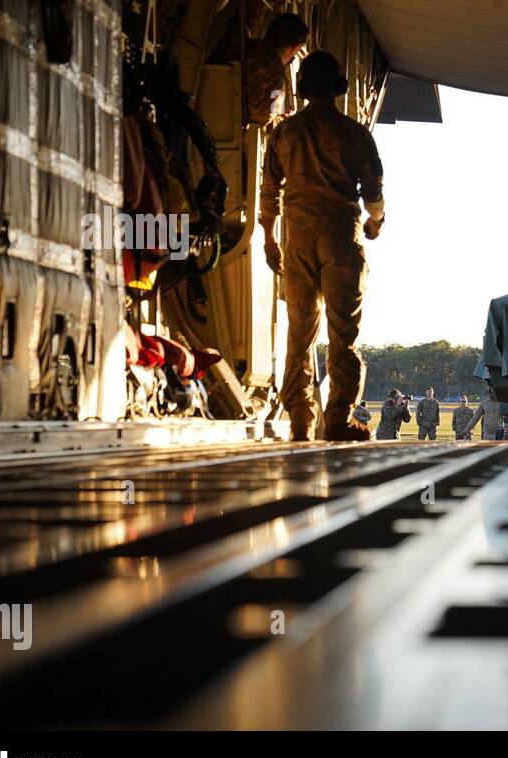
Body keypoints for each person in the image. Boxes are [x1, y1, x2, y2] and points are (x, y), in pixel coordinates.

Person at [260, 51, 385, 442]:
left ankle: (300, 421)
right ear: (338, 86)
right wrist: (375, 222)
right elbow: (374, 191)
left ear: (303, 87)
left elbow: (268, 193)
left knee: (300, 331)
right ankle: (338, 419)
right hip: (340, 238)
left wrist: (268, 238)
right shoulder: (354, 133)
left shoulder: (283, 133)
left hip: (295, 238)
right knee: (342, 332)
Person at [211, 12, 308, 127]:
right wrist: (278, 119)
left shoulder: (241, 45)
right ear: (294, 48)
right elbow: (265, 116)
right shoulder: (275, 73)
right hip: (226, 128)